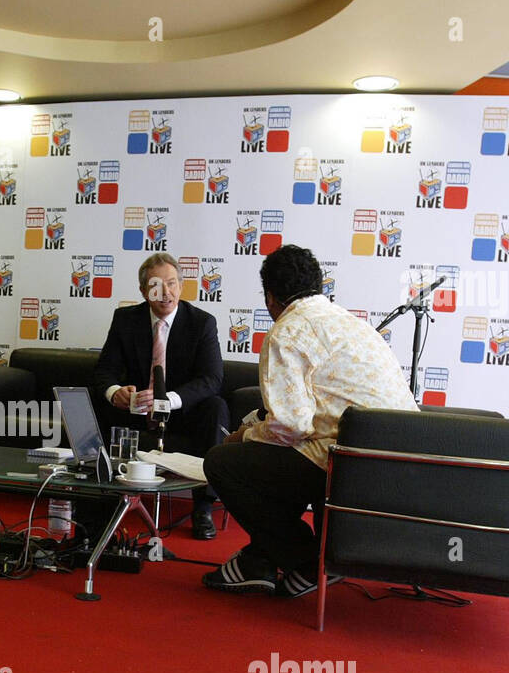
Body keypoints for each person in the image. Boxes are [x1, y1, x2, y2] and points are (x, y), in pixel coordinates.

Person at [202, 244, 418, 597]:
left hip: (348, 462)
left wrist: (242, 437)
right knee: (279, 456)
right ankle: (259, 560)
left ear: (271, 298)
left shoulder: (287, 331)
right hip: (399, 461)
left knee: (224, 462)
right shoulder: (356, 325)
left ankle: (309, 560)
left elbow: (291, 426)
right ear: (319, 286)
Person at [92, 252, 227, 539]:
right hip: (137, 412)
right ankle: (97, 497)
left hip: (183, 414)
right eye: (156, 285)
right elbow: (104, 371)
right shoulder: (125, 319)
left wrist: (168, 400)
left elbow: (211, 379)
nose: (165, 292)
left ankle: (203, 507)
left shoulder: (202, 323)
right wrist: (116, 392)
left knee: (216, 408)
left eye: (172, 283)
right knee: (98, 401)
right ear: (143, 291)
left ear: (181, 285)